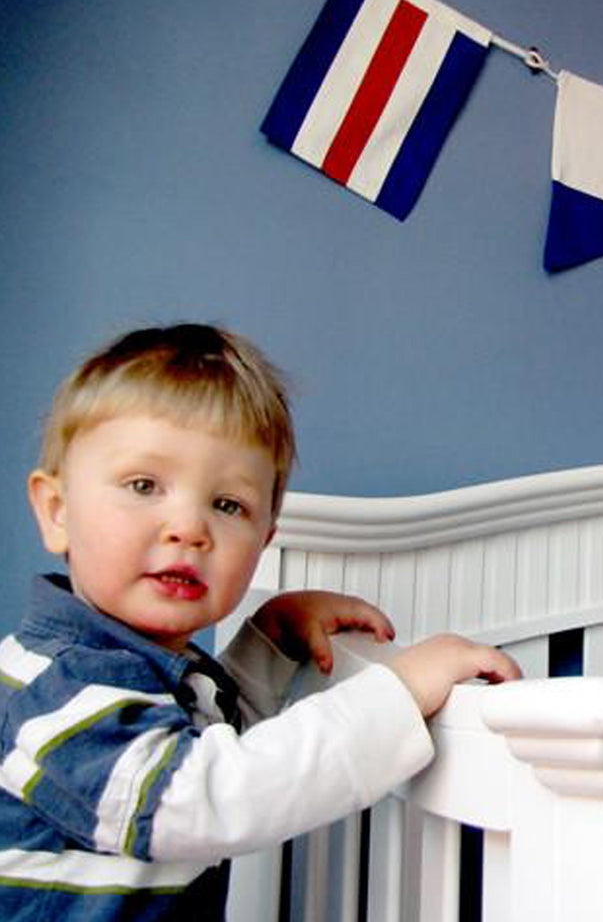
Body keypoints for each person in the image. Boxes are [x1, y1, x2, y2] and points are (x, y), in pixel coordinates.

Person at [0, 323, 520, 920]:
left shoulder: (143, 667)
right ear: (56, 511)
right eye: (144, 485)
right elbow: (203, 799)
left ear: (264, 539)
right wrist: (398, 692)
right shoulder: (57, 685)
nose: (189, 528)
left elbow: (206, 744)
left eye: (228, 505)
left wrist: (268, 642)